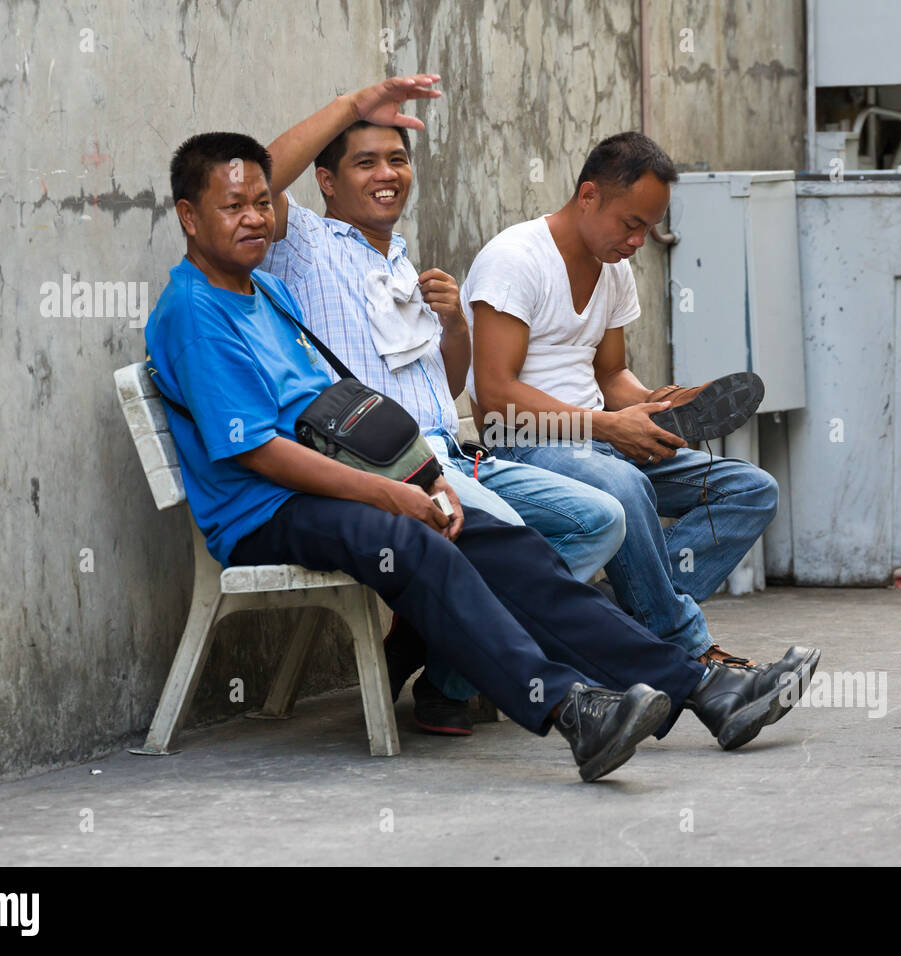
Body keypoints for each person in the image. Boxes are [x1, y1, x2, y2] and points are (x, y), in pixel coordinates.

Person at [142, 130, 819, 782]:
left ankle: (702, 688)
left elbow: (345, 411)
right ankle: (571, 709)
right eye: (234, 206)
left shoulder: (265, 292)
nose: (256, 218)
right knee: (418, 543)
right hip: (269, 508)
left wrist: (430, 475)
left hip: (343, 479)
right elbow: (260, 454)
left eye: (262, 203)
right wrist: (392, 495)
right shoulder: (195, 312)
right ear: (189, 218)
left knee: (510, 545)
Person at [260, 75, 627, 735]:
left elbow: (444, 387)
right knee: (518, 547)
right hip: (391, 466)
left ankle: (442, 666)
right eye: (365, 162)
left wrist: (453, 326)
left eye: (397, 160)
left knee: (600, 518)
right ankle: (470, 665)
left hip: (455, 453)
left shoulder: (401, 259)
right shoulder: (305, 247)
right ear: (326, 179)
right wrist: (351, 104)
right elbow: (259, 181)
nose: (387, 174)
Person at [463, 131, 803, 676]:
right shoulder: (514, 259)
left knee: (749, 490)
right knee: (624, 486)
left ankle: (624, 626)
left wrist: (650, 405)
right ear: (589, 196)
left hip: (601, 438)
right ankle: (684, 647)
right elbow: (497, 397)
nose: (639, 241)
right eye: (631, 224)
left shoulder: (614, 270)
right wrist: (607, 426)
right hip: (523, 449)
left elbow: (610, 373)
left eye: (649, 227)